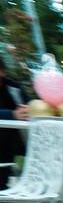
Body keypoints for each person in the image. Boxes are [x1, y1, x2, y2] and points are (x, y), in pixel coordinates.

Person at [0, 62, 28, 190]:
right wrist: (12, 114)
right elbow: (14, 114)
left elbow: (28, 103)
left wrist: (28, 109)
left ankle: (32, 187)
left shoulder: (13, 86)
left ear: (3, 71)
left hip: (16, 135)